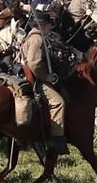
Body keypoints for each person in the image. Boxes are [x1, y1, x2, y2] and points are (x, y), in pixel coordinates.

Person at [20, 10, 67, 152]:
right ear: (43, 25)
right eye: (48, 25)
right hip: (36, 80)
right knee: (58, 102)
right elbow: (35, 64)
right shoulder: (37, 39)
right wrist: (47, 77)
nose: (49, 28)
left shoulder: (29, 37)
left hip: (34, 77)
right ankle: (57, 138)